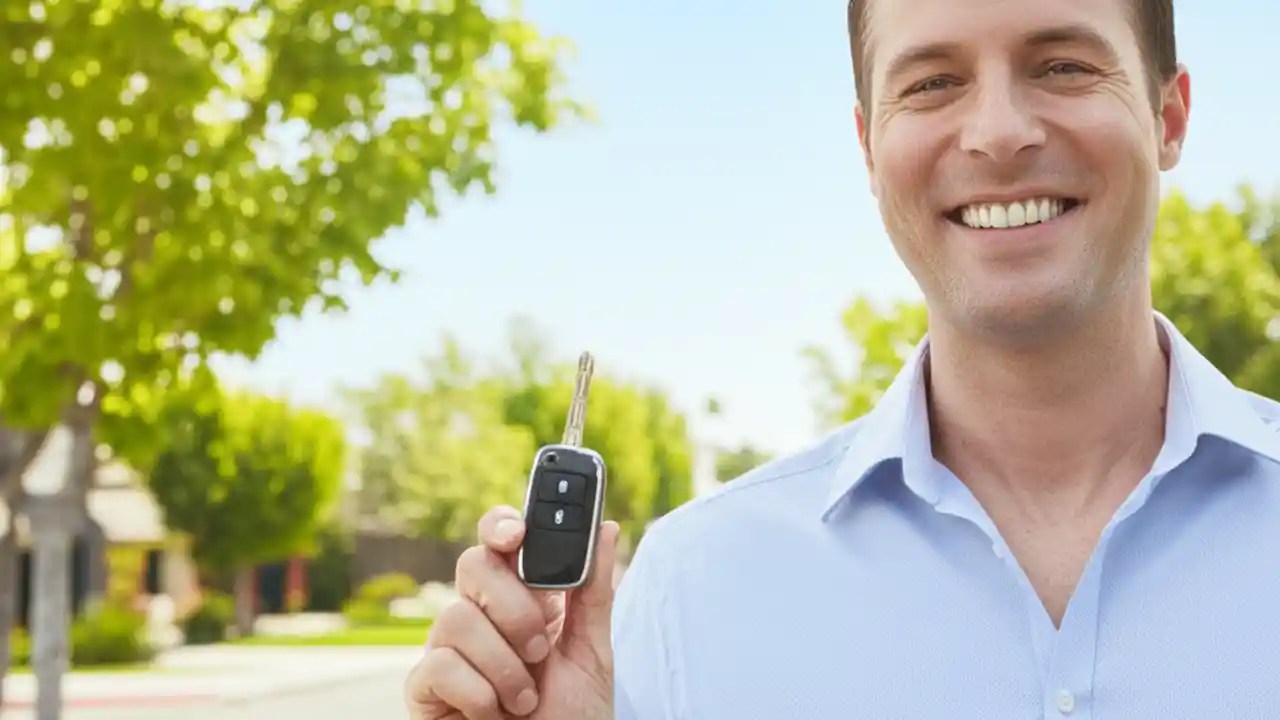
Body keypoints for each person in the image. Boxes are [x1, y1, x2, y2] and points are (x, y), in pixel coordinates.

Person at [404, 0, 1280, 717]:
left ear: (1169, 117)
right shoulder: (686, 598)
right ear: (868, 149)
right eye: (933, 82)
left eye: (1063, 66)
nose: (1000, 132)